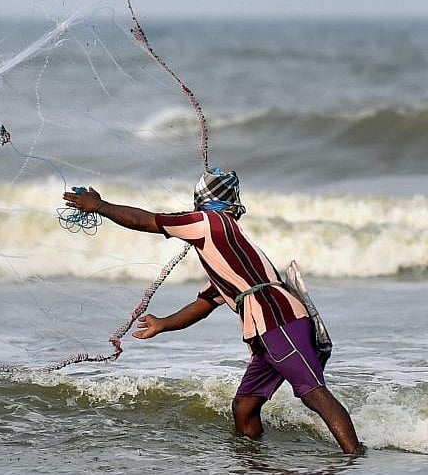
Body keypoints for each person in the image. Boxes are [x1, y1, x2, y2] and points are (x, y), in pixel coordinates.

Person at [62, 168, 363, 454]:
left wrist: (100, 206)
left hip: (278, 320)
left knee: (313, 393)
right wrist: (163, 324)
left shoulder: (209, 223)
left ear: (202, 202)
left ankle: (355, 457)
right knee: (244, 407)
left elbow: (149, 221)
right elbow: (204, 304)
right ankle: (256, 461)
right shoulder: (225, 247)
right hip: (265, 332)